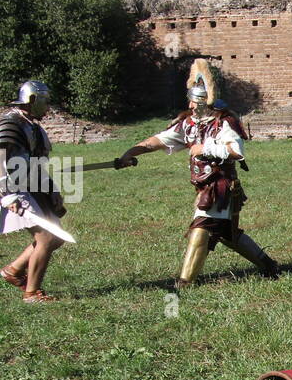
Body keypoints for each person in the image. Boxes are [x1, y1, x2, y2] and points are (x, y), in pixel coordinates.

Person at [115, 59, 279, 288]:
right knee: (227, 234)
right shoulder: (189, 123)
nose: (191, 107)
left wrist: (206, 149)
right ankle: (269, 266)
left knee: (200, 228)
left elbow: (236, 151)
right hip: (204, 186)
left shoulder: (224, 122)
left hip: (220, 187)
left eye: (195, 103)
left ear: (207, 102)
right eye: (190, 102)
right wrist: (130, 153)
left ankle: (184, 283)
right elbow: (157, 141)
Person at [0, 81, 68, 303]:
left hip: (33, 187)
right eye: (45, 101)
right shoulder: (11, 124)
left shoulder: (32, 126)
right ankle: (32, 293)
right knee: (45, 236)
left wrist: (51, 189)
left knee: (55, 237)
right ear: (32, 100)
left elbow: (37, 164)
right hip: (14, 190)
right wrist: (7, 193)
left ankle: (13, 271)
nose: (48, 107)